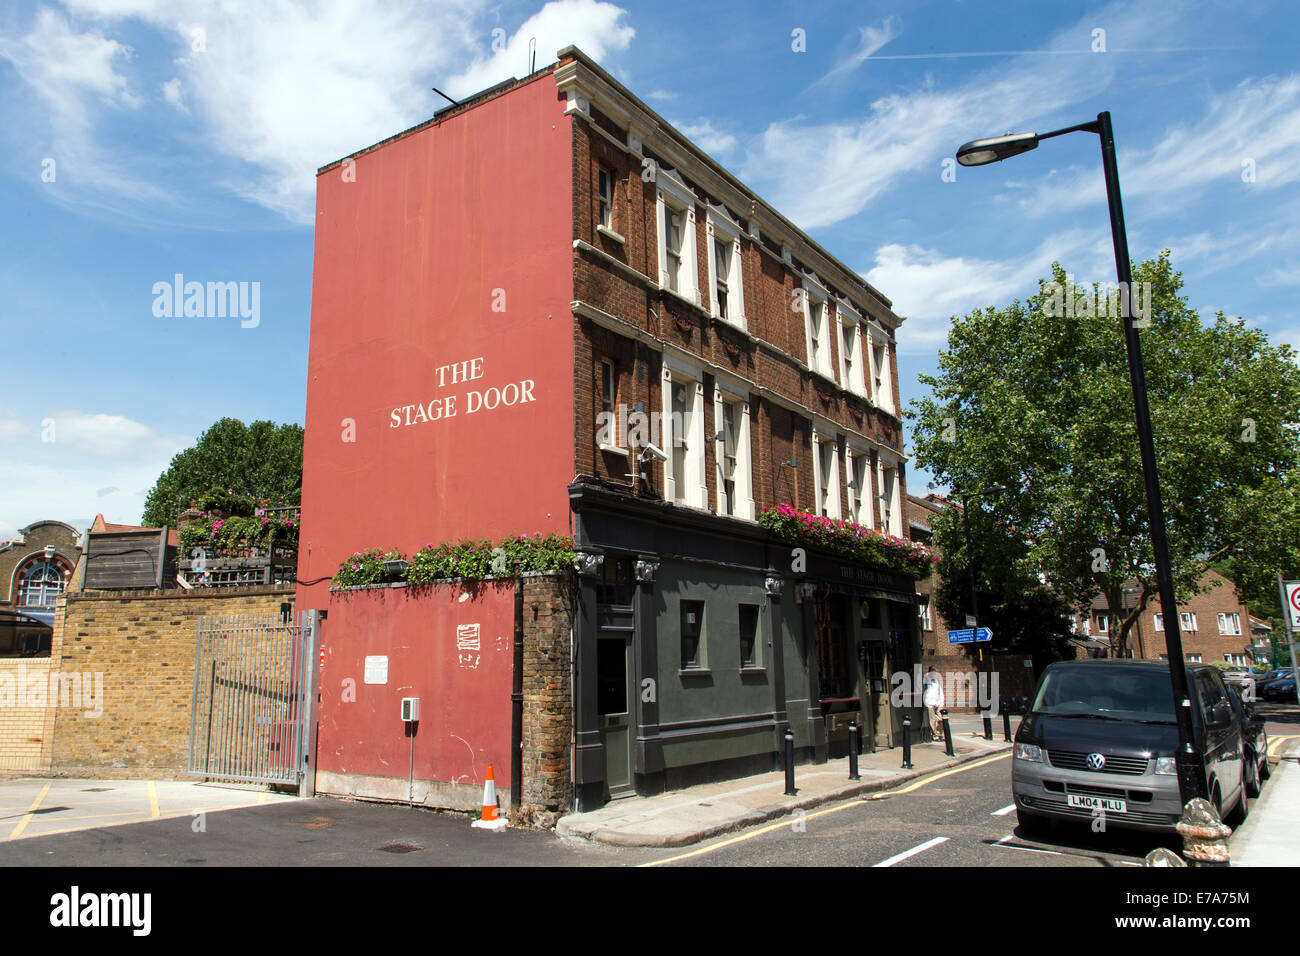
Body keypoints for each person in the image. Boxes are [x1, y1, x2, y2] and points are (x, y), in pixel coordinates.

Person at [923, 667, 945, 740]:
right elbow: (925, 691)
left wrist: (941, 703)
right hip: (929, 703)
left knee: (941, 719)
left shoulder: (937, 681)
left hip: (938, 703)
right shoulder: (926, 679)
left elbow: (940, 692)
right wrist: (927, 702)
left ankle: (939, 732)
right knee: (932, 719)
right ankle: (935, 734)